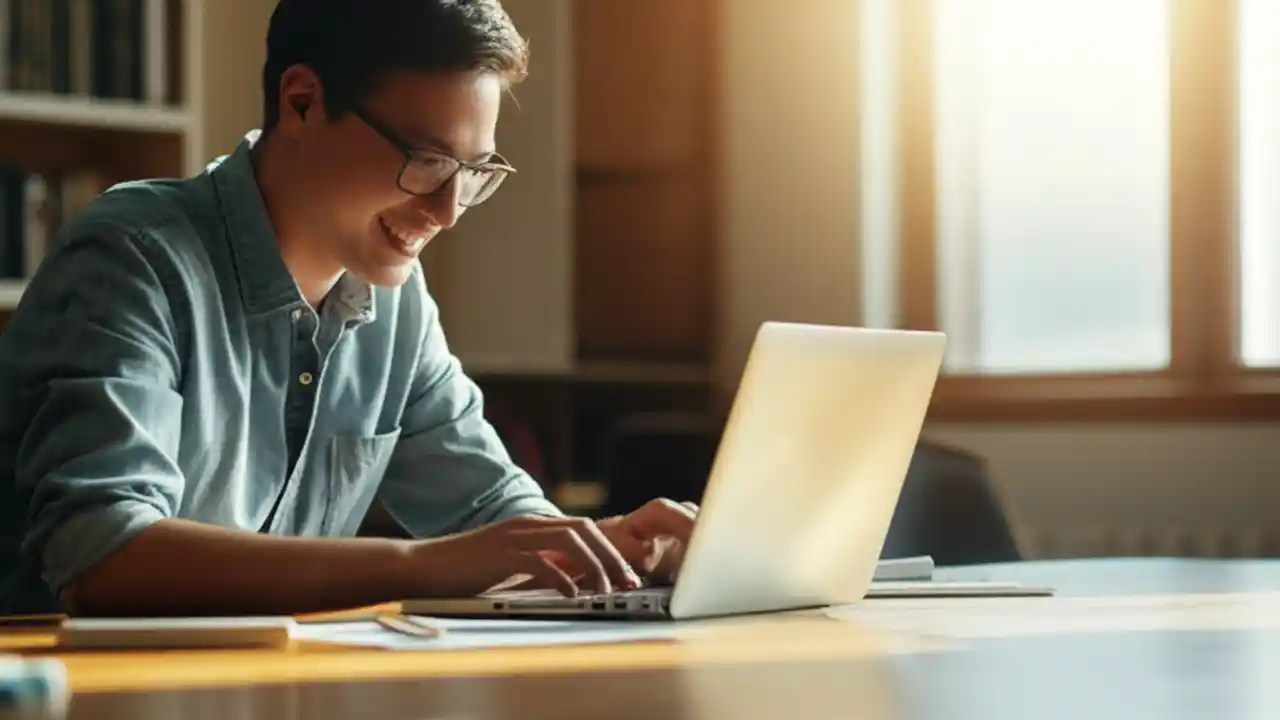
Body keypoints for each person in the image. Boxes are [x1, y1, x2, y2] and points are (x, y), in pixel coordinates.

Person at [0, 0, 695, 616]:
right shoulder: (134, 258)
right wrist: (426, 566)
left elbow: (494, 516)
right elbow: (101, 557)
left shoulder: (395, 303)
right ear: (301, 102)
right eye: (425, 160)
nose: (449, 211)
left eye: (474, 172)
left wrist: (614, 550)